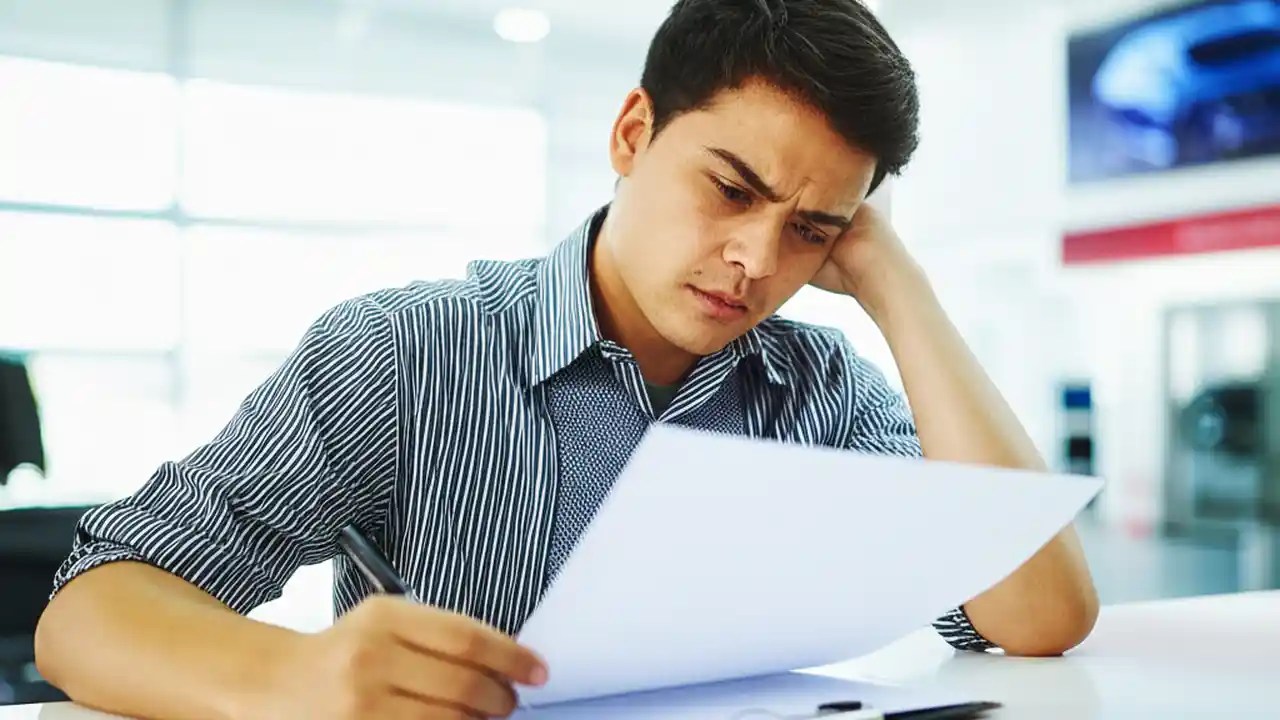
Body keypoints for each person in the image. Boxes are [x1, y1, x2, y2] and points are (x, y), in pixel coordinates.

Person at [35, 1, 1099, 718]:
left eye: (812, 229)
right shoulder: (408, 353)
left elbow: (1037, 616)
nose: (754, 260)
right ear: (632, 133)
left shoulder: (815, 389)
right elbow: (90, 608)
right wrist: (290, 677)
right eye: (730, 190)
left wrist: (894, 288)